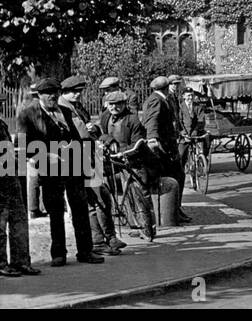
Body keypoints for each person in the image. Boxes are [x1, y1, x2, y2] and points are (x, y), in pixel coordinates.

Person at [16, 78, 103, 265]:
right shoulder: (27, 115)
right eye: (49, 93)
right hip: (50, 170)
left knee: (80, 208)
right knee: (55, 211)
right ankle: (58, 253)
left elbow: (77, 136)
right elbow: (22, 147)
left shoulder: (65, 111)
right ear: (39, 95)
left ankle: (85, 251)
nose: (53, 96)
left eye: (56, 92)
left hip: (74, 167)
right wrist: (46, 156)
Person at [59, 76, 124, 255]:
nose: (78, 94)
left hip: (88, 157)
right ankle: (98, 241)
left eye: (80, 91)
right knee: (90, 202)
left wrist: (93, 131)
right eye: (74, 91)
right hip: (74, 160)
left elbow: (88, 128)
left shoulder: (76, 106)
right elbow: (74, 133)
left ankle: (109, 237)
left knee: (101, 196)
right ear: (64, 92)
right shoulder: (62, 108)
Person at [100, 91, 179, 232]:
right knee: (117, 188)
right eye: (111, 104)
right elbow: (102, 134)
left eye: (117, 104)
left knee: (141, 191)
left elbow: (138, 142)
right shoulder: (105, 117)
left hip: (135, 160)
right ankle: (132, 223)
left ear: (124, 104)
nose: (114, 108)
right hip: (116, 160)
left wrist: (123, 151)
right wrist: (108, 140)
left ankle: (149, 227)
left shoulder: (132, 120)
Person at [141, 75, 188, 224]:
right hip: (163, 148)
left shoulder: (162, 99)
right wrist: (153, 140)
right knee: (176, 176)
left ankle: (175, 210)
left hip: (168, 146)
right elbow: (152, 122)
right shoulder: (157, 100)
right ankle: (172, 211)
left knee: (177, 176)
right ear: (166, 88)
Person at [0, 111, 39, 276]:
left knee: (19, 220)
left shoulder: (1, 124)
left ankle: (21, 261)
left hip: (11, 179)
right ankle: (1, 264)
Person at [20, 79, 45, 219]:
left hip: (34, 149)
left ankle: (34, 209)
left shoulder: (26, 110)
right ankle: (34, 209)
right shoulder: (33, 111)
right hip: (38, 149)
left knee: (34, 179)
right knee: (36, 179)